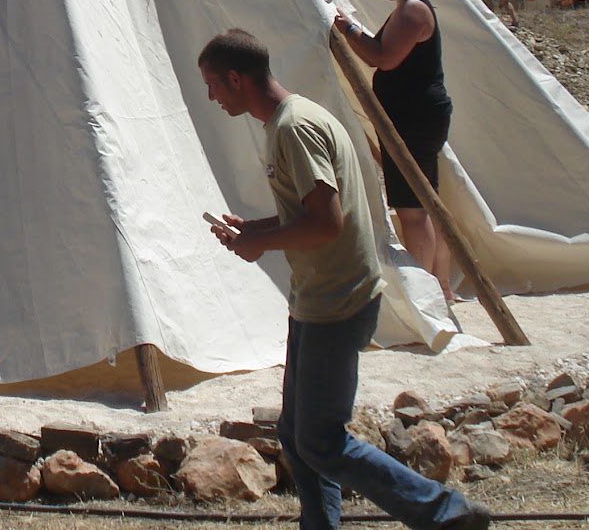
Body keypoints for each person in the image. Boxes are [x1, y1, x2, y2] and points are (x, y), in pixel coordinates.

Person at [199, 30, 489, 530]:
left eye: (214, 85)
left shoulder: (294, 128)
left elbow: (327, 223)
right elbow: (308, 213)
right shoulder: (289, 120)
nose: (211, 97)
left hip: (339, 299)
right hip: (317, 296)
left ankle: (445, 512)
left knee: (320, 439)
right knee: (297, 435)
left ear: (235, 77)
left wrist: (259, 243)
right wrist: (253, 229)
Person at [333, 0, 455, 301]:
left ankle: (426, 292)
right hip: (414, 114)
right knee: (423, 203)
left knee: (413, 209)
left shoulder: (413, 10)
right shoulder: (408, 7)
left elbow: (384, 58)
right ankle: (441, 286)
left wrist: (348, 29)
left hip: (415, 117)